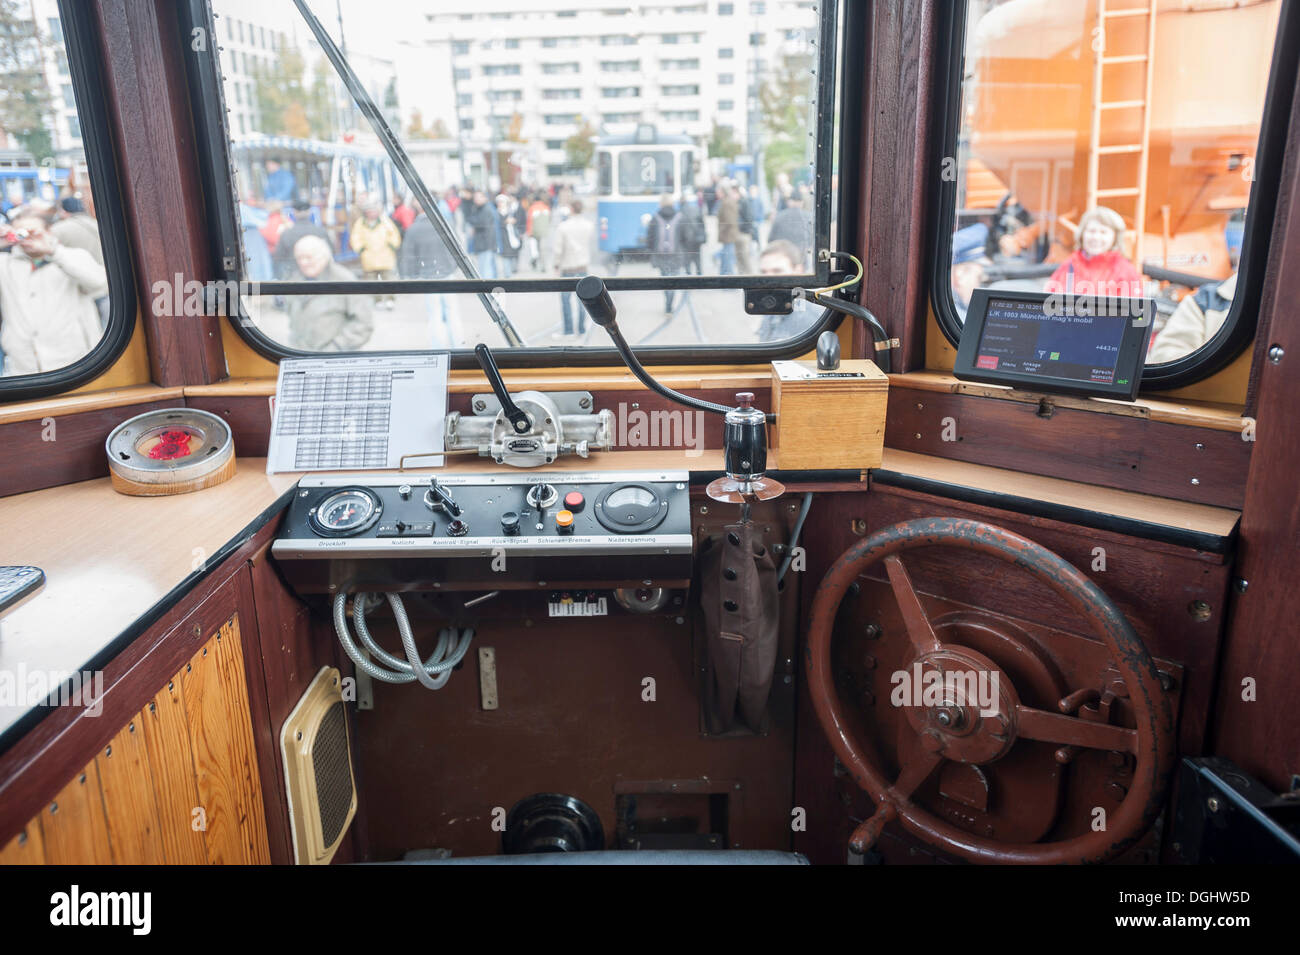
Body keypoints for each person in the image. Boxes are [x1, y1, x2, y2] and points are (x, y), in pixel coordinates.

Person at [0, 214, 109, 376]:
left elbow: (100, 283)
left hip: (76, 364)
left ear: (48, 231)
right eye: (20, 233)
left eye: (33, 232)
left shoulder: (72, 257)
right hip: (23, 369)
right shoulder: (5, 264)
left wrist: (52, 251)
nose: (28, 238)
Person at [286, 235, 374, 351]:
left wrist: (335, 347)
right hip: (301, 355)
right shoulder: (295, 280)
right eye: (299, 258)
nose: (303, 263)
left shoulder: (344, 280)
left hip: (336, 359)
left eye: (308, 257)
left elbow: (363, 324)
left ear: (324, 257)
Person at [398, 201, 461, 350]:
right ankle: (458, 346)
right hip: (447, 274)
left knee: (435, 316)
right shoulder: (444, 225)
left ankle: (438, 348)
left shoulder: (413, 229)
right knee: (453, 313)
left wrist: (410, 276)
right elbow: (458, 246)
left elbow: (408, 256)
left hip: (429, 278)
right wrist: (453, 266)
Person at [1045, 206, 1142, 300]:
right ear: (1082, 234)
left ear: (1115, 237)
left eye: (1103, 232)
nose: (1095, 237)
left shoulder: (1126, 272)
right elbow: (1048, 304)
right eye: (1091, 231)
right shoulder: (1069, 265)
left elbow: (1134, 313)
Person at [756, 240, 816, 342]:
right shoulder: (772, 304)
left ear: (798, 271)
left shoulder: (809, 317)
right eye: (764, 272)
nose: (768, 279)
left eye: (777, 271)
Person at [553, 199, 595, 336]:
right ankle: (581, 329)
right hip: (582, 266)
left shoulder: (563, 227)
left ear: (571, 209)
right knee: (582, 300)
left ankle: (569, 330)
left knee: (565, 300)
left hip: (567, 267)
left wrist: (556, 265)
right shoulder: (589, 225)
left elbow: (558, 250)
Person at [349, 200, 402, 309]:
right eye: (370, 211)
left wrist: (392, 245)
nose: (372, 213)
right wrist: (361, 249)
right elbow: (355, 238)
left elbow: (394, 234)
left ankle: (390, 299)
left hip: (385, 256)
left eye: (374, 211)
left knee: (389, 279)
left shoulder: (385, 221)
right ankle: (377, 300)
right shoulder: (360, 223)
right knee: (371, 281)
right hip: (369, 257)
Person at [273, 200, 332, 279]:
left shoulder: (286, 234)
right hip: (321, 279)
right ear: (309, 212)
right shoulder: (321, 232)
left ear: (294, 212)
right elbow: (331, 253)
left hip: (295, 280)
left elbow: (278, 257)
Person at [950, 222, 990, 321]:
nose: (979, 285)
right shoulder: (961, 319)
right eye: (978, 277)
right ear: (960, 276)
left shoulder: (952, 311)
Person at [50, 197, 103, 266]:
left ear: (63, 211)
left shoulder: (59, 228)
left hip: (77, 272)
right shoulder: (95, 223)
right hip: (100, 270)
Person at [767, 192, 812, 266]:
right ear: (802, 202)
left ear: (789, 202)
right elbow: (812, 238)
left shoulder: (779, 216)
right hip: (802, 256)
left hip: (783, 255)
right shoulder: (809, 217)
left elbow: (771, 239)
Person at [463, 190, 499, 280]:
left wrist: (472, 222)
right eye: (475, 198)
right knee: (484, 269)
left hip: (486, 245)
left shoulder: (486, 209)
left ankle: (488, 291)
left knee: (486, 270)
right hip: (483, 244)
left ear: (484, 198)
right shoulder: (479, 208)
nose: (476, 200)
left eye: (478, 197)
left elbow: (481, 223)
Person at [677, 190, 706, 275]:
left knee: (687, 261)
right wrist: (703, 237)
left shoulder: (680, 212)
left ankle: (689, 280)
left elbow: (680, 228)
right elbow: (702, 224)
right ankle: (700, 278)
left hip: (687, 241)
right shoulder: (696, 208)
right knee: (697, 260)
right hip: (697, 239)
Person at [496, 193, 523, 278]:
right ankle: (508, 275)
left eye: (502, 202)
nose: (501, 204)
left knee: (512, 256)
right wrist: (505, 222)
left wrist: (514, 222)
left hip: (512, 238)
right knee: (505, 257)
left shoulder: (511, 212)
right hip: (502, 239)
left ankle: (511, 271)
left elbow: (519, 222)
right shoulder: (496, 213)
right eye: (499, 202)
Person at [715, 183, 739, 275]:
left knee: (728, 258)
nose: (717, 193)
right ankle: (724, 275)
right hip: (728, 234)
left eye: (718, 192)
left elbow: (729, 221)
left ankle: (727, 277)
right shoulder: (726, 201)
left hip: (728, 235)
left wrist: (721, 230)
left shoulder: (727, 202)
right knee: (726, 257)